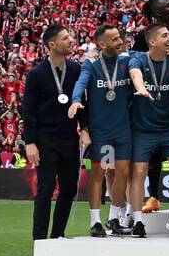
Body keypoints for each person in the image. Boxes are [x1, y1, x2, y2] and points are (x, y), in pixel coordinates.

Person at [127, 23, 169, 237]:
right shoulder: (138, 58)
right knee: (138, 173)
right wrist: (141, 88)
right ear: (152, 41)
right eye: (164, 36)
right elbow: (135, 73)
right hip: (142, 129)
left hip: (167, 127)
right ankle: (137, 221)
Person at [68, 24, 133, 237]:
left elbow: (148, 55)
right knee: (100, 173)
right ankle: (95, 221)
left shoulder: (127, 61)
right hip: (103, 132)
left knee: (122, 173)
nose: (120, 41)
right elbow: (80, 83)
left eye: (120, 37)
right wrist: (76, 100)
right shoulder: (92, 65)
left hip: (123, 130)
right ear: (102, 44)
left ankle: (114, 217)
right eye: (115, 39)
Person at [21, 24, 84, 240]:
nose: (71, 40)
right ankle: (39, 239)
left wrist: (84, 128)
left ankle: (58, 235)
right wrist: (30, 142)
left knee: (68, 190)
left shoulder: (75, 70)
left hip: (69, 138)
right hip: (45, 139)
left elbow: (82, 102)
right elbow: (27, 111)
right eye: (66, 38)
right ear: (52, 45)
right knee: (45, 191)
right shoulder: (36, 74)